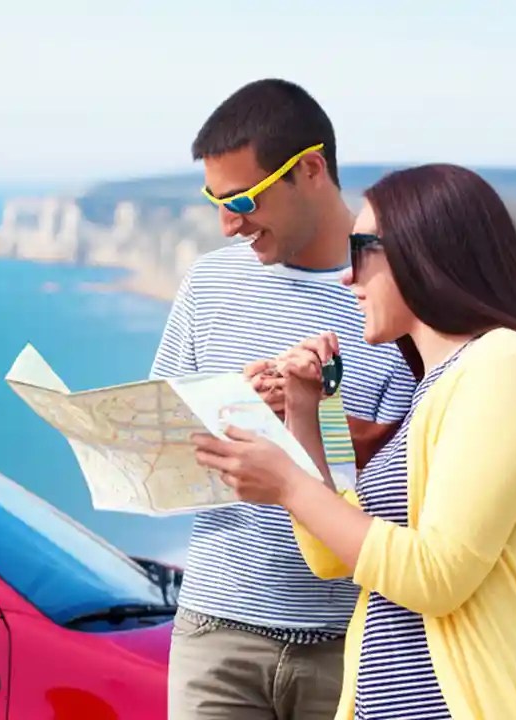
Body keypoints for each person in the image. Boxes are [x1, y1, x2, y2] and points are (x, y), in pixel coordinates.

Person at [191, 163, 516, 720]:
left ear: (425, 250)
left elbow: (435, 577)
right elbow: (329, 556)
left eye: (361, 248)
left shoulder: (507, 367)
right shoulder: (435, 386)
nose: (348, 277)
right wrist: (306, 412)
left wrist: (288, 485)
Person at [152, 78, 417, 719]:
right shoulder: (209, 282)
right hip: (216, 635)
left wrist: (310, 414)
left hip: (354, 644)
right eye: (214, 200)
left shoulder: (394, 293)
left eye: (242, 198)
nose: (227, 223)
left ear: (311, 170)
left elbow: (417, 484)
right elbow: (158, 446)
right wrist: (228, 408)